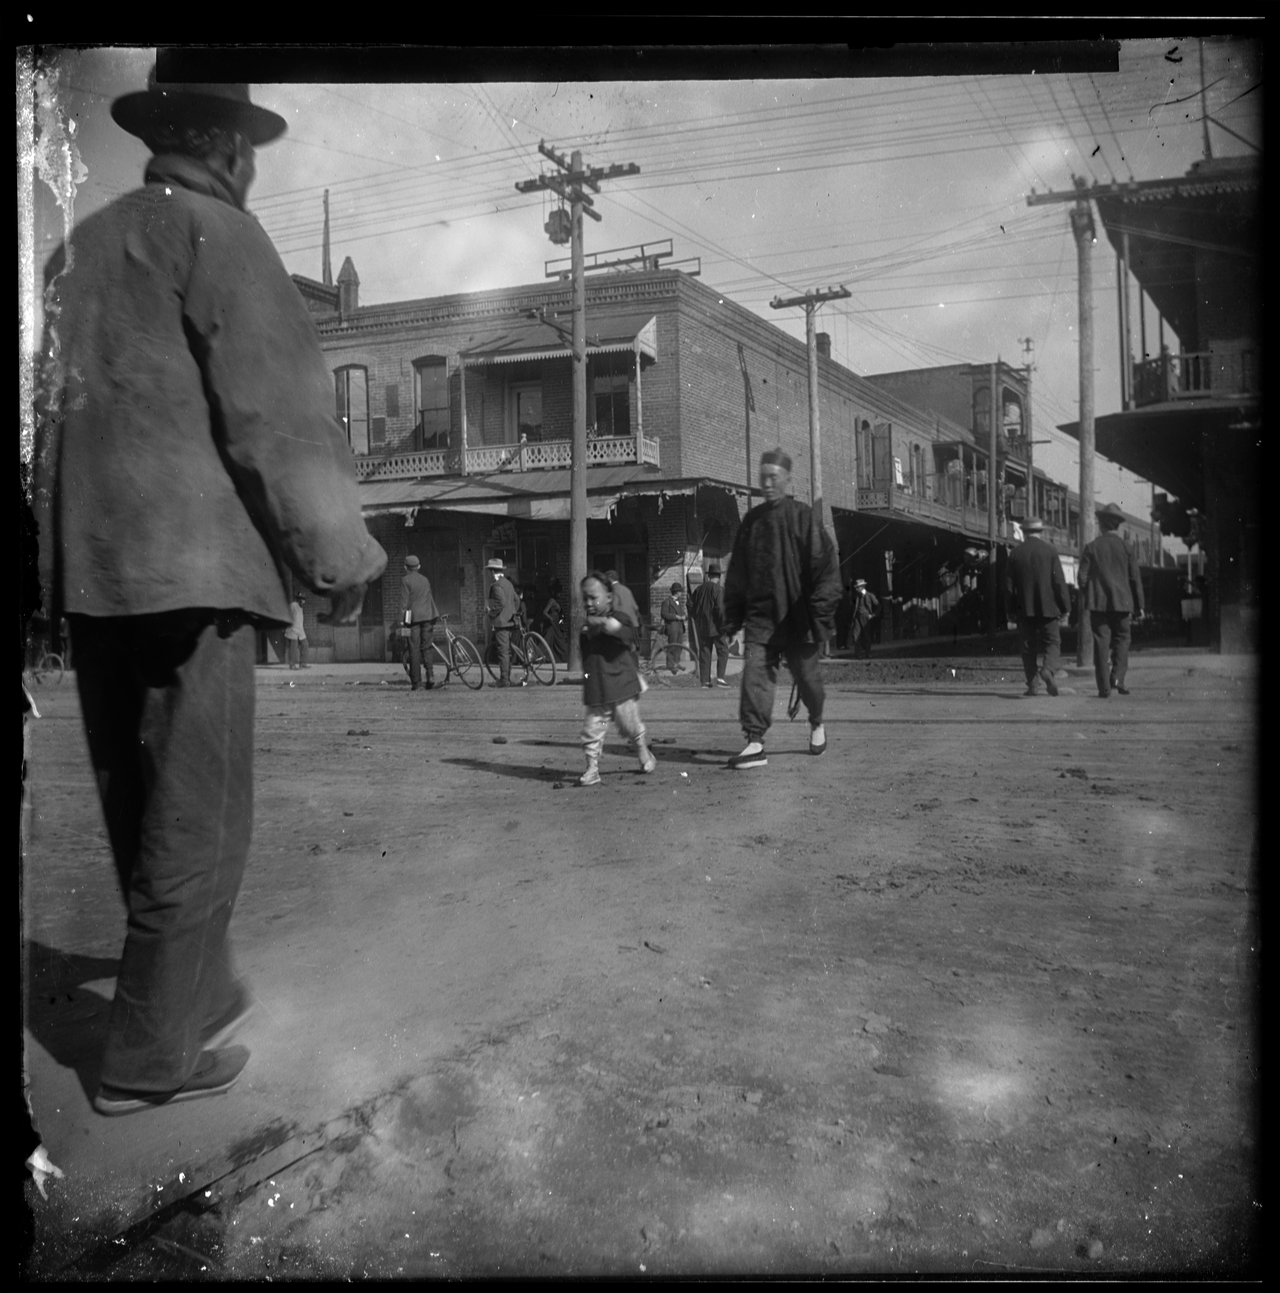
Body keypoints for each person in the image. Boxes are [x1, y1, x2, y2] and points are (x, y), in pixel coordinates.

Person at [32, 69, 387, 1115]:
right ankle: (149, 1061)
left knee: (138, 805)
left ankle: (196, 993)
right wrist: (339, 562)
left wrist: (51, 571)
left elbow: (45, 425)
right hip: (199, 573)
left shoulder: (77, 248)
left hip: (95, 573)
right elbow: (276, 417)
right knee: (199, 819)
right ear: (230, 148)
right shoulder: (223, 236)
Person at [722, 448, 842, 767]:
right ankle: (754, 741)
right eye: (763, 477)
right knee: (755, 678)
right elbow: (737, 575)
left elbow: (826, 569)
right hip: (761, 619)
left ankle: (816, 721)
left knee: (808, 680)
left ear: (787, 479)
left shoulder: (804, 517)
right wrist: (731, 620)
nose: (767, 483)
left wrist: (819, 615)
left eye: (773, 477)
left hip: (798, 618)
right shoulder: (752, 521)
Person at [578, 572, 657, 785]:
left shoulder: (619, 619)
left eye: (594, 598)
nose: (589, 603)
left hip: (621, 685)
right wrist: (587, 679)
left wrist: (611, 626)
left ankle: (643, 751)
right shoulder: (586, 628)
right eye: (585, 598)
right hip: (598, 688)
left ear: (609, 598)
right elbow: (586, 659)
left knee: (630, 725)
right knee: (592, 728)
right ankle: (592, 768)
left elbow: (629, 635)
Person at [1078, 501, 1145, 698]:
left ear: (1101, 524)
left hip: (1098, 604)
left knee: (1101, 642)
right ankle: (1118, 678)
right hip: (1123, 603)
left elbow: (1082, 578)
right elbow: (1135, 579)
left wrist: (1090, 593)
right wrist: (1140, 605)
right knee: (1123, 639)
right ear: (1117, 525)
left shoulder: (1091, 547)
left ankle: (1104, 688)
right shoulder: (1126, 547)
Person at [1005, 516, 1071, 697]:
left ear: (1024, 532)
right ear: (1040, 531)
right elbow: (1059, 582)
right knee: (1053, 642)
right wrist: (1065, 606)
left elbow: (1009, 587)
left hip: (1024, 608)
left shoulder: (1015, 553)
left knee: (1028, 647)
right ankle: (1048, 669)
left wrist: (1010, 610)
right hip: (1048, 608)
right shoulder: (1050, 551)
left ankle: (1033, 685)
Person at [401, 554, 439, 690]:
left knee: (414, 649)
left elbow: (404, 603)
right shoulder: (425, 580)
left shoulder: (405, 580)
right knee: (427, 647)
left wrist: (403, 621)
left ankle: (416, 683)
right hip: (428, 617)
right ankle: (430, 677)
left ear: (405, 567)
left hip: (414, 619)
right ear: (418, 566)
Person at [689, 561, 730, 688]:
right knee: (723, 651)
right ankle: (720, 678)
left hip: (703, 627)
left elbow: (689, 604)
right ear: (719, 576)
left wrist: (697, 617)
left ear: (708, 575)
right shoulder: (719, 590)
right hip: (717, 627)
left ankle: (705, 681)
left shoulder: (699, 589)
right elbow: (720, 609)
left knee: (705, 653)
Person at [486, 557, 521, 686]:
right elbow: (517, 600)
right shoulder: (508, 583)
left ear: (492, 572)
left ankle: (504, 680)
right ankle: (507, 678)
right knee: (508, 651)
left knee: (503, 652)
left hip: (502, 624)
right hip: (511, 622)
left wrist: (491, 613)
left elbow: (500, 603)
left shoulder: (496, 585)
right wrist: (512, 612)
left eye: (490, 571)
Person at [659, 582, 688, 672]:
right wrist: (676, 616)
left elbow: (682, 612)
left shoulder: (679, 602)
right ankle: (670, 665)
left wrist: (684, 616)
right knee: (672, 646)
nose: (681, 593)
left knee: (679, 646)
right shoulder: (667, 602)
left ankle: (676, 662)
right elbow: (663, 614)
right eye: (680, 591)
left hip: (680, 627)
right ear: (676, 592)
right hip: (672, 626)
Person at [537, 579, 568, 661]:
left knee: (558, 642)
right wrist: (551, 618)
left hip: (556, 624)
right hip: (552, 624)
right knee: (547, 641)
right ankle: (538, 656)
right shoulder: (552, 601)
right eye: (559, 593)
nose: (560, 595)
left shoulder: (556, 601)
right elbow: (544, 612)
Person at [849, 579, 880, 660]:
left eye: (858, 587)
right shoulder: (857, 596)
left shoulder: (869, 595)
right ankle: (858, 655)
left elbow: (878, 606)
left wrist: (873, 615)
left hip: (866, 617)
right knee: (856, 635)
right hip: (857, 617)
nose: (856, 589)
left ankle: (868, 653)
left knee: (866, 635)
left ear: (862, 587)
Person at [285, 592, 309, 669]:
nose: (303, 601)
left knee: (305, 645)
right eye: (301, 599)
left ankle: (303, 663)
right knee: (293, 648)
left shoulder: (301, 607)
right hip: (292, 629)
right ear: (298, 599)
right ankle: (292, 665)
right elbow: (287, 615)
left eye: (304, 599)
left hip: (300, 630)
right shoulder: (293, 605)